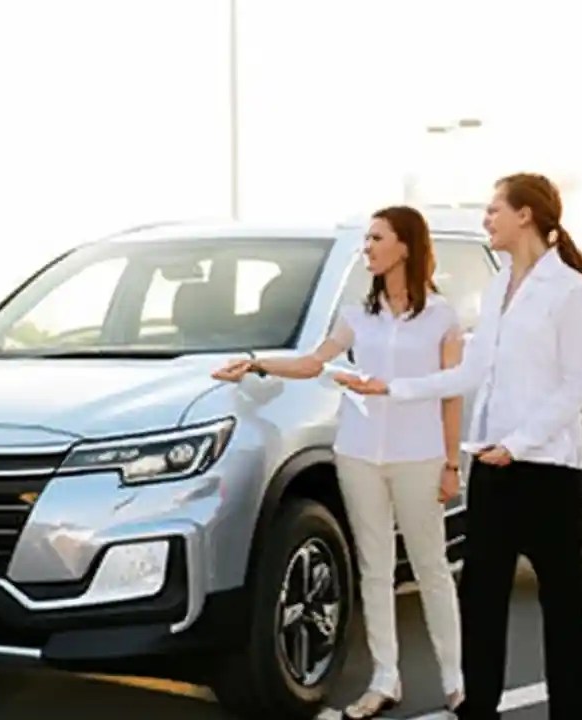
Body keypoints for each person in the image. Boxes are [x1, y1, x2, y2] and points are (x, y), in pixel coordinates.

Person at [338, 173, 582, 720]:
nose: (486, 219)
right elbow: (468, 372)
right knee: (480, 601)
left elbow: (575, 387)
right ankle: (478, 708)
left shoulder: (571, 291)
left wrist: (518, 442)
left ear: (525, 215)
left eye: (493, 210)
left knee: (562, 612)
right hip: (492, 468)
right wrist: (392, 388)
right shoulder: (497, 286)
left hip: (549, 472)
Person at [214, 206, 465, 717]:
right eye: (368, 238)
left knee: (432, 568)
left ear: (406, 247)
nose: (368, 247)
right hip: (359, 454)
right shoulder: (358, 314)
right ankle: (385, 679)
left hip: (419, 456)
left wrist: (451, 464)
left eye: (377, 238)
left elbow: (451, 392)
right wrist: (257, 363)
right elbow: (313, 362)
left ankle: (458, 682)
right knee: (374, 568)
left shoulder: (443, 315)